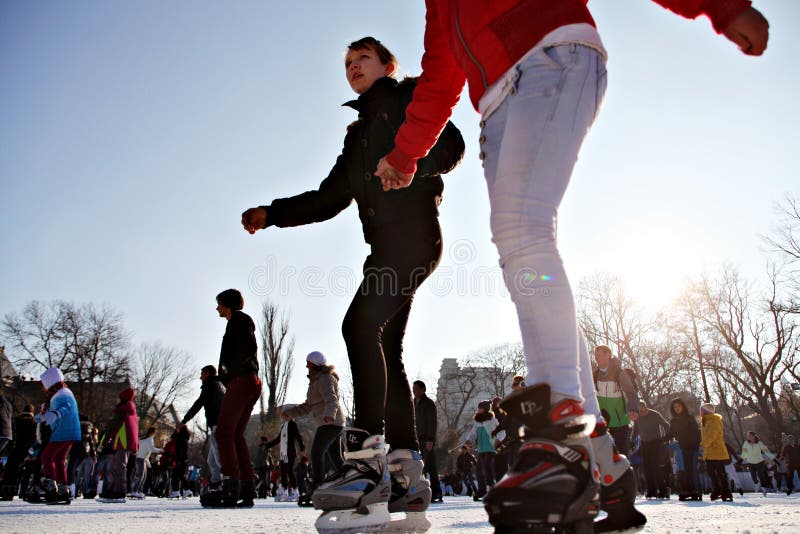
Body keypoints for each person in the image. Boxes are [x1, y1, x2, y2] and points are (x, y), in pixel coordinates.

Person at [374, 1, 768, 532]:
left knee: (524, 232)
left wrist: (720, 8)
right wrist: (406, 153)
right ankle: (601, 456)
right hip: (496, 102)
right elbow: (442, 68)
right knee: (522, 252)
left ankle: (561, 433)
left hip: (549, 53)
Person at [240, 36, 464, 532]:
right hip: (384, 249)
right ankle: (407, 470)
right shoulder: (356, 135)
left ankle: (365, 461)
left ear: (387, 65)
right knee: (385, 342)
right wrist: (271, 214)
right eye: (346, 62)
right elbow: (327, 198)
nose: (353, 67)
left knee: (358, 327)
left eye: (363, 58)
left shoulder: (408, 99)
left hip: (415, 236)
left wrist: (408, 163)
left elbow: (451, 146)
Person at [200, 288, 261, 508]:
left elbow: (247, 348)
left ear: (228, 304)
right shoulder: (238, 322)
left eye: (219, 303)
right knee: (236, 435)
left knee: (224, 433)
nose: (217, 308)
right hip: (248, 380)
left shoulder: (239, 320)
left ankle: (230, 485)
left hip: (242, 380)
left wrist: (227, 369)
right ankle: (246, 487)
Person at [279, 351, 345, 499]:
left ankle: (318, 486)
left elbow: (331, 398)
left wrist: (330, 413)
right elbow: (308, 406)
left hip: (331, 422)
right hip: (329, 423)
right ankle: (347, 482)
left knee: (316, 452)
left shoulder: (325, 378)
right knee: (336, 457)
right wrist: (290, 413)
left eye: (308, 363)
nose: (306, 366)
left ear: (315, 364)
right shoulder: (315, 381)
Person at [27, 367, 81, 504]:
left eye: (44, 385)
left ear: (50, 383)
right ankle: (63, 488)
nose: (43, 389)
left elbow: (65, 407)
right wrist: (41, 417)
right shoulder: (59, 393)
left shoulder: (63, 394)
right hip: (70, 432)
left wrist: (56, 414)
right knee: (58, 459)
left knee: (47, 456)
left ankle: (51, 486)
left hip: (63, 431)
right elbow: (53, 411)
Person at [179, 364, 226, 489]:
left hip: (217, 423)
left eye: (202, 374)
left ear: (208, 374)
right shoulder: (219, 385)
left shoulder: (210, 384)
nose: (200, 377)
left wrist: (184, 421)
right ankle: (216, 482)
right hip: (221, 423)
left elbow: (198, 404)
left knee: (218, 454)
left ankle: (228, 479)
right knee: (212, 460)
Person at [593, 346, 640, 455]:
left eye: (599, 355)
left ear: (608, 355)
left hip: (619, 422)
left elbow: (631, 392)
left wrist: (633, 409)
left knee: (620, 455)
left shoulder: (619, 374)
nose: (596, 358)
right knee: (603, 455)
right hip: (602, 423)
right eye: (595, 355)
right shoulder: (595, 375)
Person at [98, 387, 138, 502]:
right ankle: (113, 489)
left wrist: (104, 441)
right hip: (128, 441)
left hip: (122, 441)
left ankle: (119, 491)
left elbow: (114, 426)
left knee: (118, 467)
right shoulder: (131, 410)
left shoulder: (123, 409)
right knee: (116, 467)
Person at [631, 401, 670, 499]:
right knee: (647, 467)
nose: (641, 413)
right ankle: (651, 490)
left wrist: (666, 437)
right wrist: (632, 441)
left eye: (643, 410)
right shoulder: (638, 417)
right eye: (639, 411)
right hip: (645, 443)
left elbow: (665, 424)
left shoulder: (654, 414)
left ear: (646, 407)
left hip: (656, 442)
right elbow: (636, 430)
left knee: (656, 466)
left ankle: (663, 490)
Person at [263, 413, 305, 502]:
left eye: (286, 415)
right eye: (283, 416)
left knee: (290, 471)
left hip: (290, 452)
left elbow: (298, 436)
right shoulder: (284, 426)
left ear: (290, 416)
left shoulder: (293, 424)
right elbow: (279, 439)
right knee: (283, 472)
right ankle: (284, 492)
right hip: (283, 453)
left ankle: (295, 492)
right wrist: (268, 445)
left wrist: (302, 448)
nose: (284, 417)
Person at [413, 380, 442, 503]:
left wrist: (431, 440)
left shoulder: (429, 403)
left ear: (423, 389)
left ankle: (436, 493)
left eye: (416, 388)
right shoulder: (413, 403)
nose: (414, 390)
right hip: (416, 439)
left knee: (429, 467)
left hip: (426, 439)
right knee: (418, 466)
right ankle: (422, 492)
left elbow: (432, 422)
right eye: (413, 388)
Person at [0, 404, 36, 501]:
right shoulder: (34, 421)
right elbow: (35, 437)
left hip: (16, 448)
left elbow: (13, 434)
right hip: (29, 450)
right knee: (27, 473)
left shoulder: (16, 420)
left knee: (10, 470)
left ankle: (8, 492)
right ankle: (24, 492)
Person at [469, 400, 504, 501]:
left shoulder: (492, 420)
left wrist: (498, 439)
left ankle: (492, 488)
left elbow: (502, 431)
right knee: (479, 470)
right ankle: (482, 490)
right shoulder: (477, 421)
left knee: (487, 467)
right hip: (481, 448)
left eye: (481, 408)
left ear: (485, 409)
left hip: (490, 447)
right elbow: (473, 432)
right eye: (478, 408)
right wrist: (468, 440)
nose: (479, 409)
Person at [668, 398, 702, 501]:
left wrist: (696, 446)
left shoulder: (689, 418)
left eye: (679, 406)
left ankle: (695, 490)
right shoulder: (674, 421)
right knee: (683, 470)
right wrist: (660, 441)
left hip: (692, 447)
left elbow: (696, 433)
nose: (677, 408)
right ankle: (686, 490)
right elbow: (671, 434)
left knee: (692, 469)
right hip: (682, 447)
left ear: (683, 406)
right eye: (675, 407)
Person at [699, 403, 732, 501]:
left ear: (706, 411)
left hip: (717, 451)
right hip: (709, 452)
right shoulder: (705, 421)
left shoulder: (714, 421)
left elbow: (712, 435)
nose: (700, 412)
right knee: (711, 472)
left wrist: (703, 444)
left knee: (720, 472)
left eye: (701, 410)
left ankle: (725, 491)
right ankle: (717, 489)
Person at [132, 427, 162, 499]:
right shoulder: (149, 439)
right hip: (141, 459)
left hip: (142, 459)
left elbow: (145, 450)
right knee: (141, 476)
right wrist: (161, 450)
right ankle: (135, 491)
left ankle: (138, 491)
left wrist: (148, 461)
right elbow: (152, 449)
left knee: (144, 476)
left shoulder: (144, 438)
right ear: (153, 432)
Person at [168, 425, 190, 499]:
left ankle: (177, 491)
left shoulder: (180, 439)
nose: (176, 429)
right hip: (183, 460)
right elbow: (173, 436)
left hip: (180, 460)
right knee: (180, 476)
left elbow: (179, 451)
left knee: (176, 476)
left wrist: (177, 460)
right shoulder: (183, 438)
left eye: (178, 428)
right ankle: (185, 490)